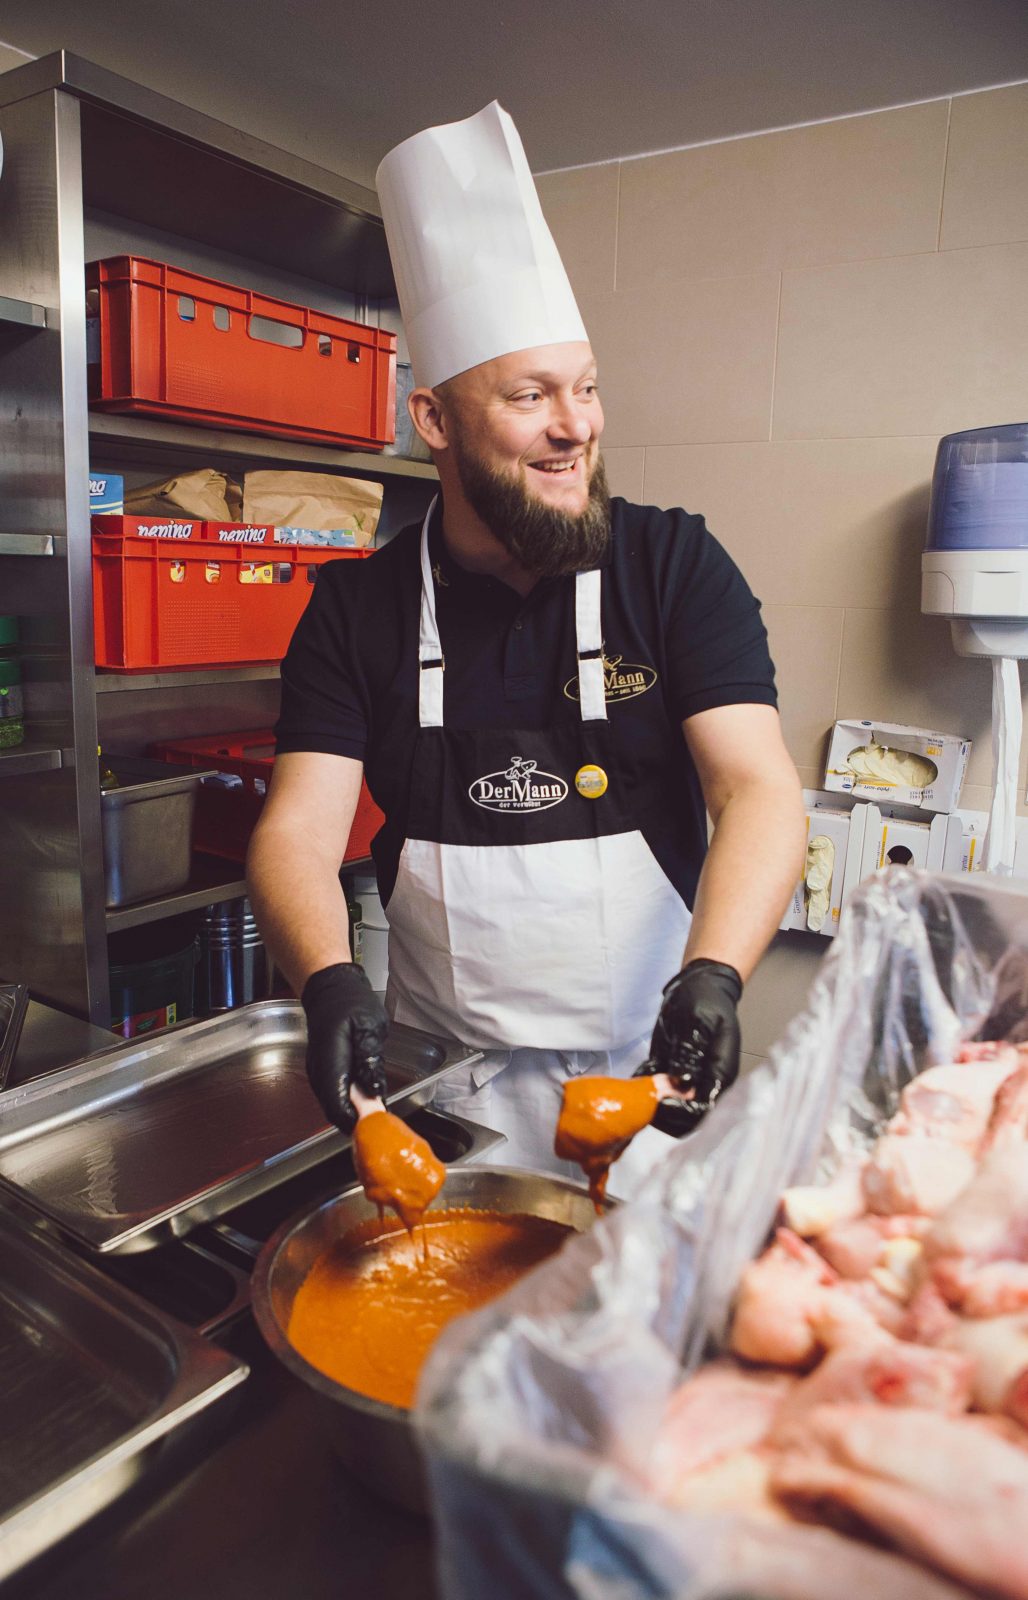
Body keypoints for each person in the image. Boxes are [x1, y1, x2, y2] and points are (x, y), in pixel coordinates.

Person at [247, 102, 806, 1193]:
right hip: (434, 1095)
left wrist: (716, 976)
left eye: (586, 387)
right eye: (530, 395)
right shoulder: (355, 609)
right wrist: (323, 981)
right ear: (436, 422)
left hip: (648, 1079)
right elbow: (294, 834)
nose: (576, 425)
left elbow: (756, 790)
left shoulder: (672, 565)